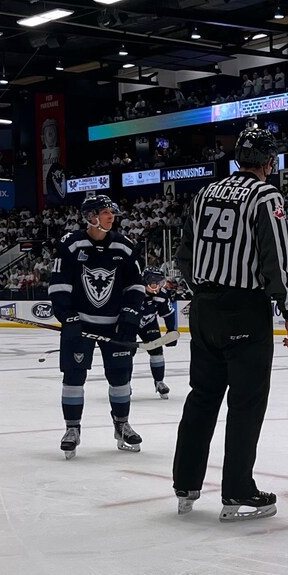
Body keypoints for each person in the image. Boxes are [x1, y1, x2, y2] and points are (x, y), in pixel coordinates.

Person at [172, 125, 288, 522]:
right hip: (245, 308)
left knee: (202, 396)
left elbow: (184, 255)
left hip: (204, 308)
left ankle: (186, 484)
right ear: (268, 161)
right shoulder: (266, 195)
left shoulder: (205, 193)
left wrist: (205, 291)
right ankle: (237, 489)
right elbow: (275, 260)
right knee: (246, 402)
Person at [49, 194, 146, 459]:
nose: (111, 216)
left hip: (114, 326)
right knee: (73, 377)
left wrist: (129, 316)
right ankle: (72, 429)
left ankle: (122, 425)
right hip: (80, 324)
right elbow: (58, 285)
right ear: (91, 217)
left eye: (111, 212)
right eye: (105, 212)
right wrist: (67, 316)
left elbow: (135, 285)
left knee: (120, 378)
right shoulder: (70, 244)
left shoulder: (124, 246)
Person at [138, 266, 177, 398]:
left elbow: (168, 314)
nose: (159, 286)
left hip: (149, 323)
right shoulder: (133, 291)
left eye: (161, 283)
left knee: (157, 351)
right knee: (125, 354)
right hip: (128, 324)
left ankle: (159, 382)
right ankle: (124, 383)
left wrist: (171, 331)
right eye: (156, 283)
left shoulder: (162, 294)